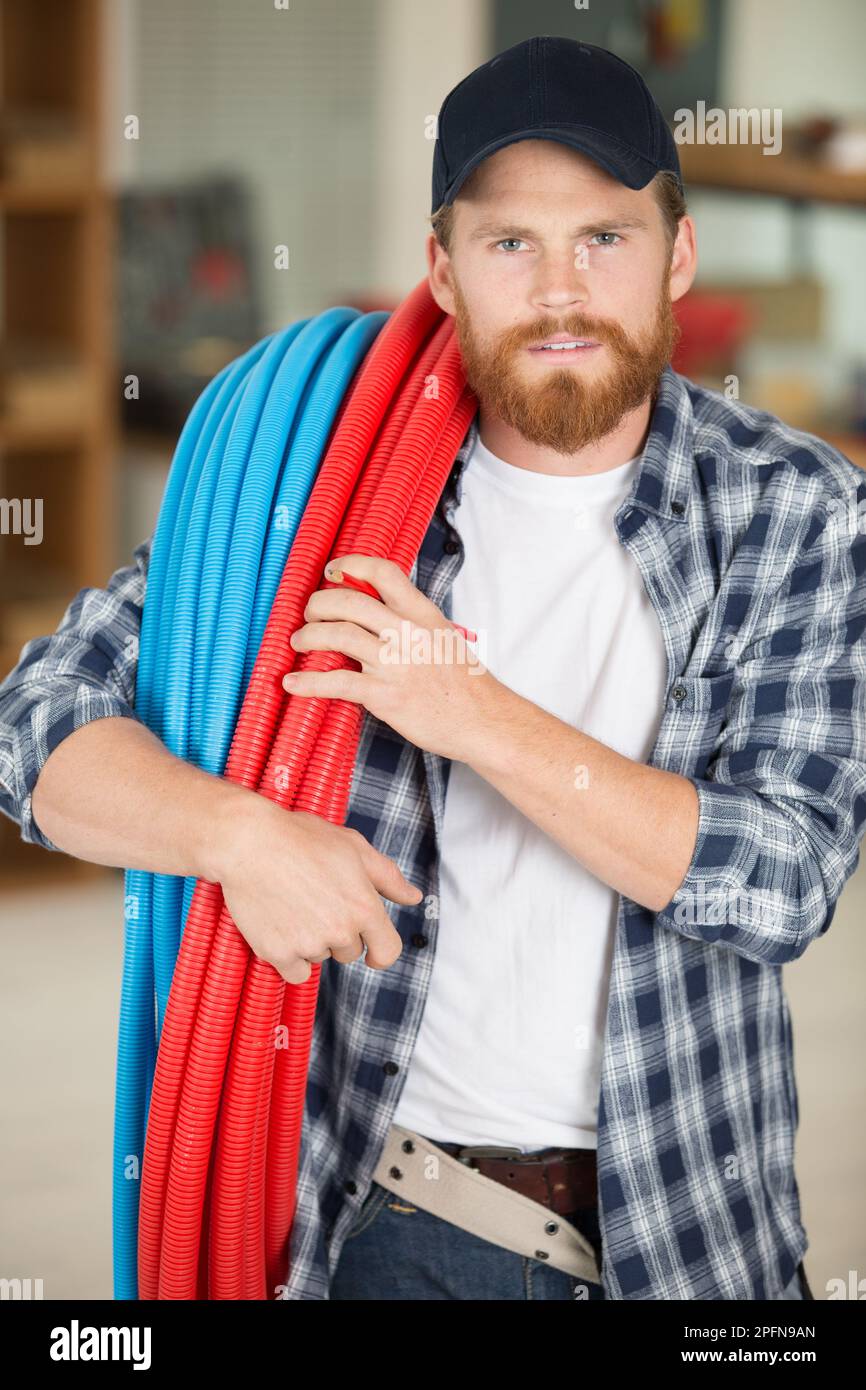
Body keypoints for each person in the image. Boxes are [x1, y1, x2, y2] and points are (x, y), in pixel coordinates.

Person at [1, 37, 862, 1301]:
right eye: (509, 242)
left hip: (694, 1235)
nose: (561, 288)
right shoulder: (321, 499)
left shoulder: (798, 511)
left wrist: (469, 712)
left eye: (604, 238)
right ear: (442, 270)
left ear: (676, 254)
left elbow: (780, 879)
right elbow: (34, 726)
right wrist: (238, 836)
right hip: (398, 1221)